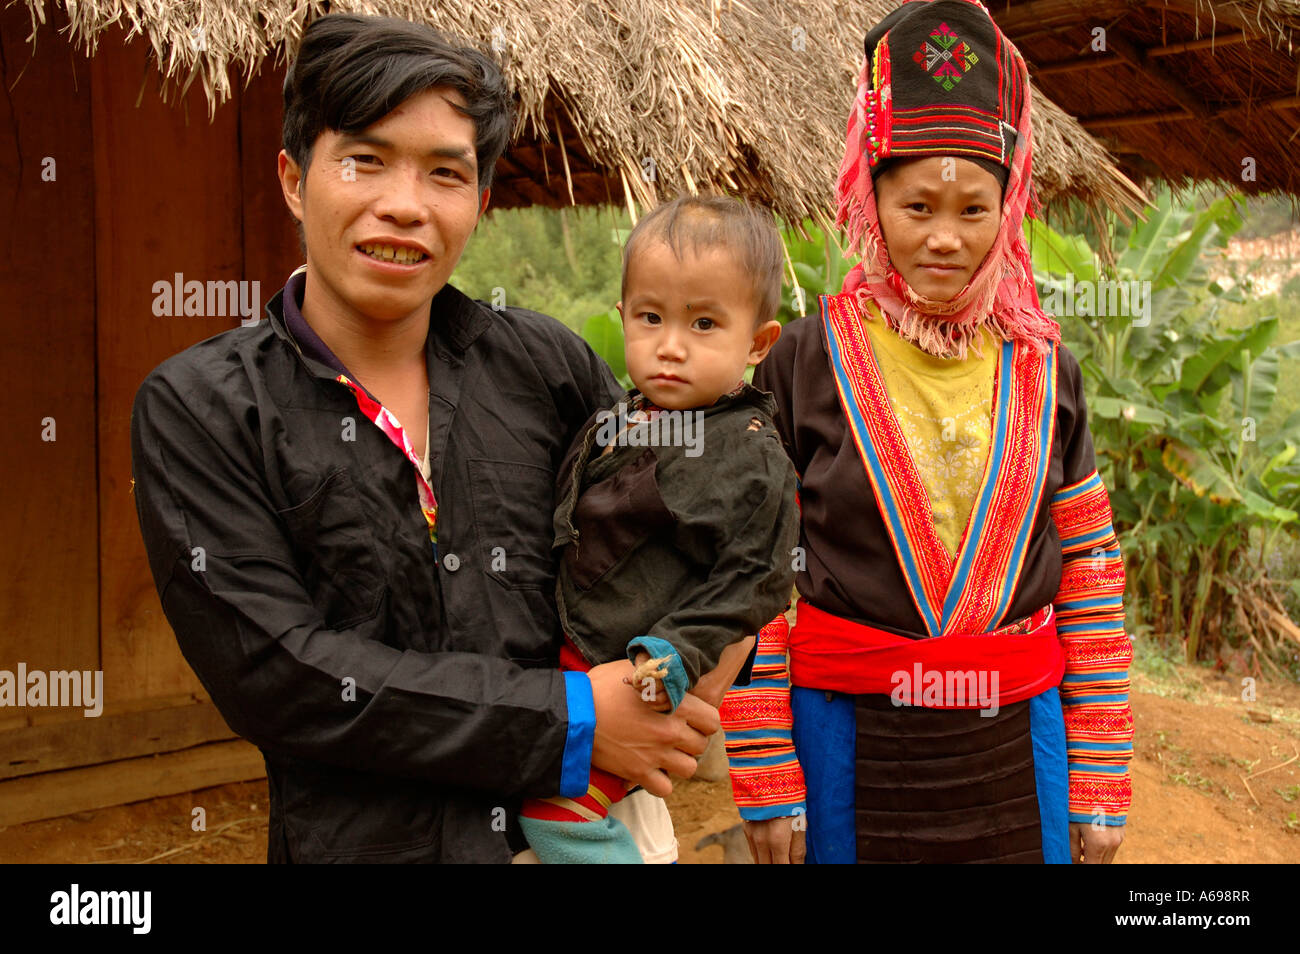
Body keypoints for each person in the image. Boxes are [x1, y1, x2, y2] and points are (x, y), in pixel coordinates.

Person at [129, 13, 726, 864]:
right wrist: (573, 720)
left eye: (445, 173)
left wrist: (677, 675)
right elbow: (278, 674)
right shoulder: (202, 408)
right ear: (295, 179)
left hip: (594, 833)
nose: (404, 206)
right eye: (365, 161)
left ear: (479, 203)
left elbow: (676, 529)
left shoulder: (547, 366)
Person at [722, 0, 1133, 863]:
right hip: (845, 734)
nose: (945, 239)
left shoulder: (1045, 366)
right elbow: (751, 565)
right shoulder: (802, 361)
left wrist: (1099, 773)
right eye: (917, 205)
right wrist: (763, 761)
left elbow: (1090, 568)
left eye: (973, 210)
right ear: (871, 198)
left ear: (1007, 210)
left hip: (1017, 738)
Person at [516, 196, 799, 863]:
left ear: (757, 343)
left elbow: (759, 579)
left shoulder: (749, 453)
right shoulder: (618, 418)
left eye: (704, 323)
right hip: (580, 658)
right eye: (650, 318)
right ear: (623, 317)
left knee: (558, 815)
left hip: (643, 675)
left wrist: (674, 655)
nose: (670, 346)